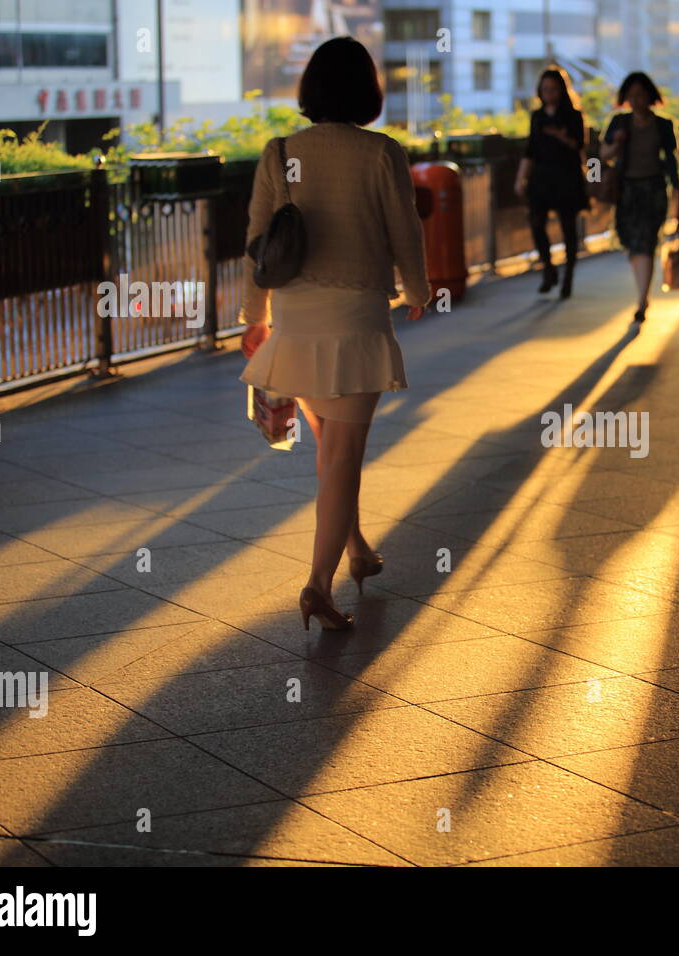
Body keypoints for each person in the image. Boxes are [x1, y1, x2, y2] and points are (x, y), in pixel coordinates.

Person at [239, 37, 431, 631]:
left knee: (331, 454)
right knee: (343, 455)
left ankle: (357, 551)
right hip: (354, 319)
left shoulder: (280, 153)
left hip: (295, 322)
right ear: (366, 90)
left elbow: (258, 240)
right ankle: (318, 587)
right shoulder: (380, 153)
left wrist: (255, 317)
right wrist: (419, 291)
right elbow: (405, 230)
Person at [601, 72, 679, 323]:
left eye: (640, 94)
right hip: (626, 190)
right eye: (632, 95)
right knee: (630, 240)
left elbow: (672, 162)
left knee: (646, 241)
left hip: (654, 190)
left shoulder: (663, 125)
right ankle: (643, 290)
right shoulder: (619, 123)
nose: (636, 100)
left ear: (650, 96)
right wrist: (616, 145)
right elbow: (602, 154)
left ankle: (641, 300)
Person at [514, 66, 589, 298]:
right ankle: (548, 268)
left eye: (553, 89)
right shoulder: (537, 116)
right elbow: (530, 150)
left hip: (567, 177)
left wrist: (560, 135)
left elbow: (581, 146)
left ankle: (568, 277)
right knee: (537, 223)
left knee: (568, 228)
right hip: (542, 177)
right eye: (545, 89)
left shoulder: (573, 115)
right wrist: (521, 178)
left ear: (561, 91)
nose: (549, 93)